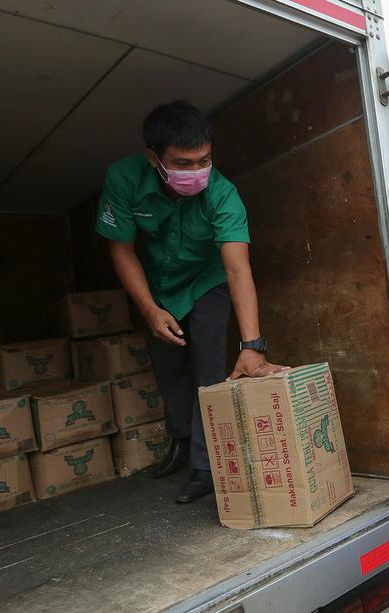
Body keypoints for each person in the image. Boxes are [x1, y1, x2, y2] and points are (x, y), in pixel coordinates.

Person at [96, 101, 286, 504]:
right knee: (167, 367)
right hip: (155, 287)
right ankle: (180, 444)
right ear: (154, 158)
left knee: (208, 370)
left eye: (204, 160)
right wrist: (149, 309)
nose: (196, 171)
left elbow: (237, 269)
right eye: (183, 163)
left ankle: (205, 465)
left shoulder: (222, 193)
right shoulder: (124, 178)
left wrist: (252, 347)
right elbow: (122, 251)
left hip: (206, 282)